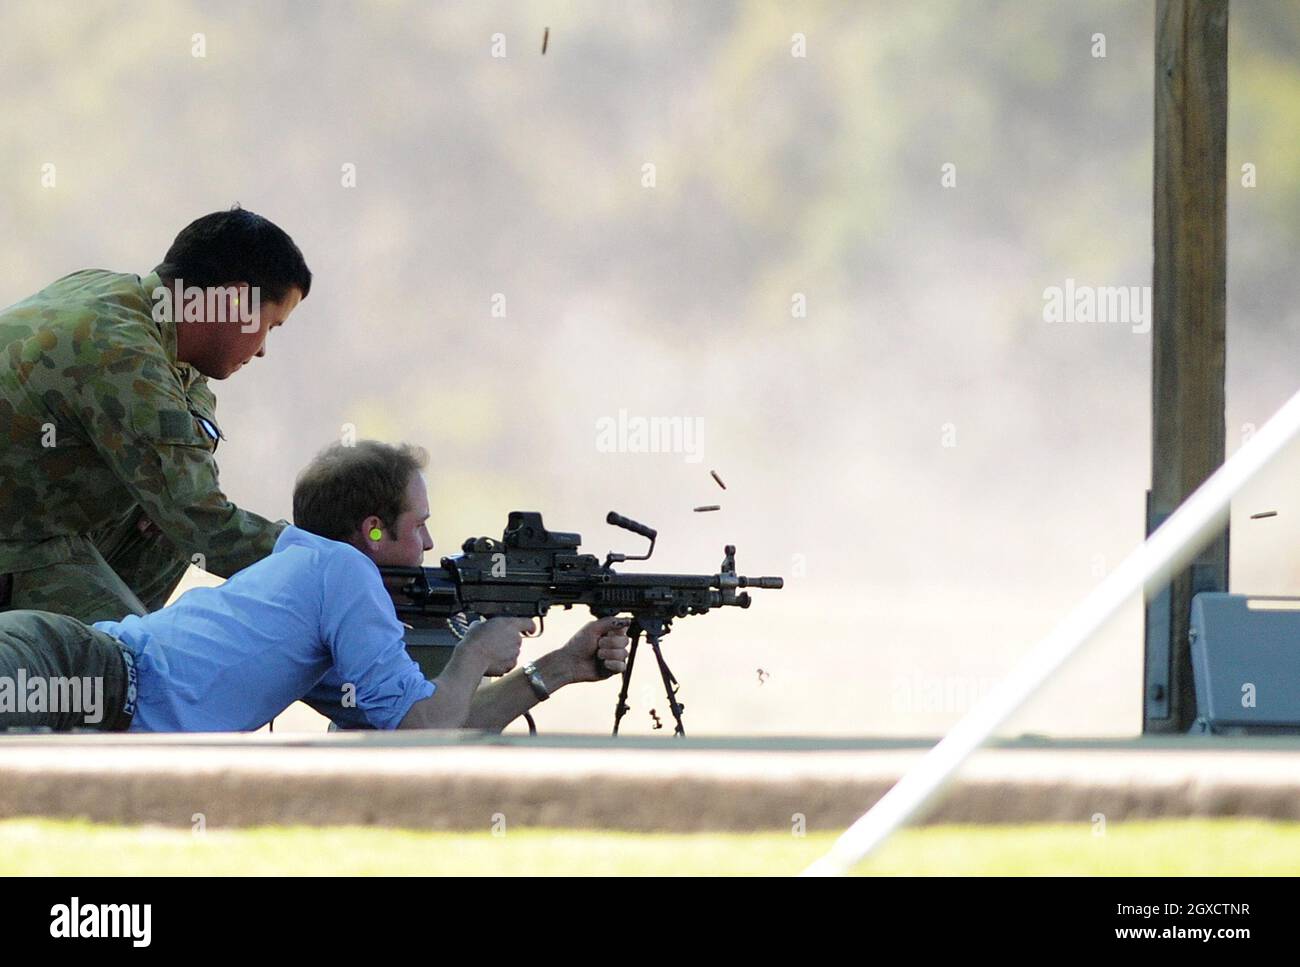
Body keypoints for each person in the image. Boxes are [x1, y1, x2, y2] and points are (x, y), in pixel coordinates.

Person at [0, 440, 631, 732]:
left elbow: (431, 728)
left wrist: (556, 668)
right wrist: (475, 651)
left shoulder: (322, 583)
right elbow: (426, 728)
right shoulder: (346, 572)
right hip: (74, 666)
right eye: (419, 525)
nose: (429, 544)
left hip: (88, 685)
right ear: (373, 530)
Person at [0, 206, 311, 623]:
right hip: (19, 544)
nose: (262, 350)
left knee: (163, 525)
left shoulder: (112, 295)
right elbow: (204, 524)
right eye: (270, 326)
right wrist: (328, 564)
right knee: (137, 658)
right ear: (234, 300)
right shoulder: (123, 353)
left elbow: (191, 407)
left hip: (29, 520)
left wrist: (172, 504)